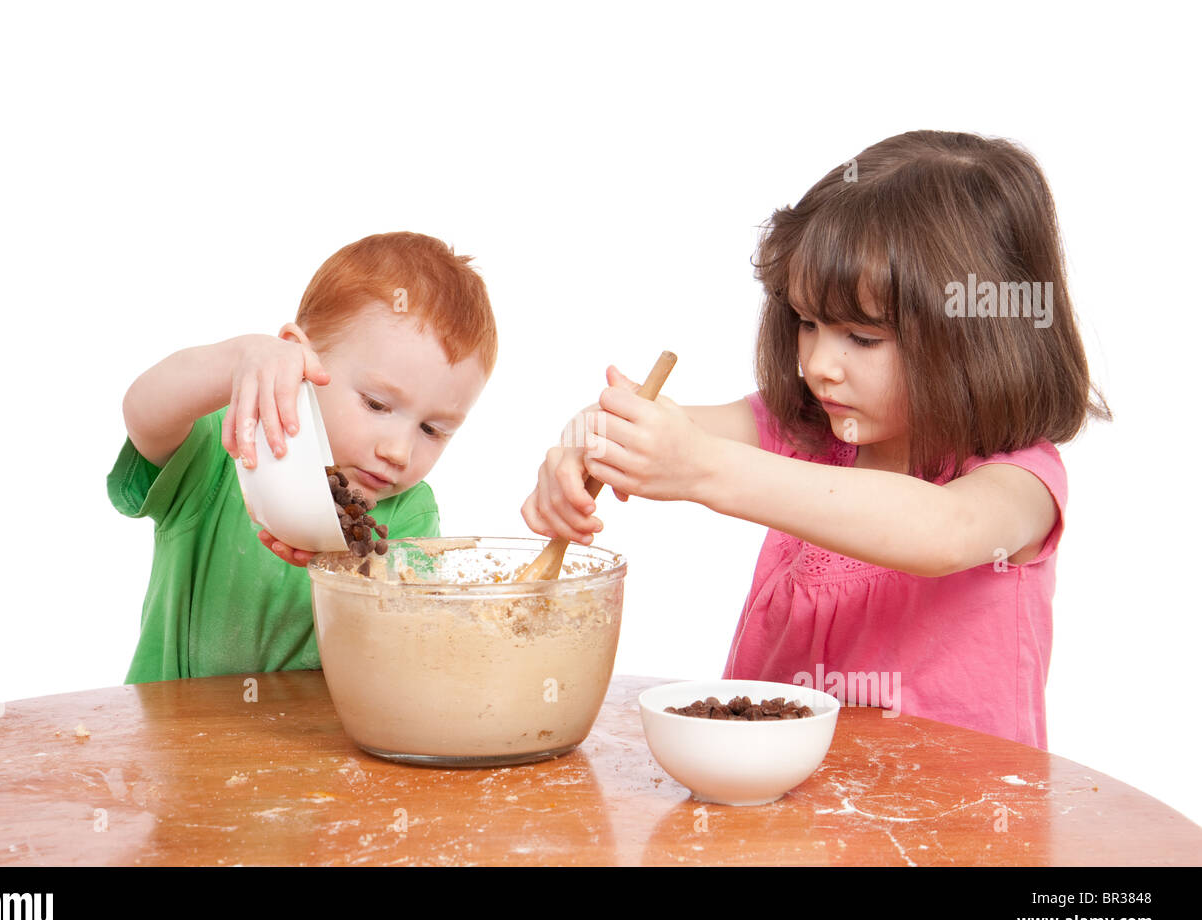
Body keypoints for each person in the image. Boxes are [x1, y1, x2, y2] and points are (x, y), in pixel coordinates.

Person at [522, 131, 1110, 749]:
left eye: (863, 337)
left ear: (978, 337)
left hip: (952, 831)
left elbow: (943, 533)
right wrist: (587, 445)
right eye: (808, 323)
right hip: (785, 816)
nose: (821, 364)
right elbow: (658, 427)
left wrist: (701, 471)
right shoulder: (804, 427)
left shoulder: (1021, 481)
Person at [111, 232, 497, 683]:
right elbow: (144, 411)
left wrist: (356, 571)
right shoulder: (226, 448)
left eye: (432, 430)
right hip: (168, 744)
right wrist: (240, 360)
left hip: (321, 752)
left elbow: (403, 656)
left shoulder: (408, 517)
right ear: (301, 358)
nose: (398, 451)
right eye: (375, 404)